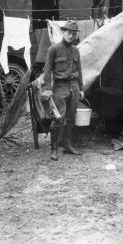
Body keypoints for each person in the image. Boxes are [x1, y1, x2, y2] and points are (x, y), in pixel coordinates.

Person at [41, 20, 83, 161]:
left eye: (74, 34)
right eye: (69, 33)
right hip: (60, 87)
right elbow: (47, 71)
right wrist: (47, 89)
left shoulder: (76, 50)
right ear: (63, 32)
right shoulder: (54, 49)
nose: (71, 36)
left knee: (71, 118)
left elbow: (79, 70)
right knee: (58, 117)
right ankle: (54, 149)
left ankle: (67, 145)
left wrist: (81, 88)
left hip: (74, 87)